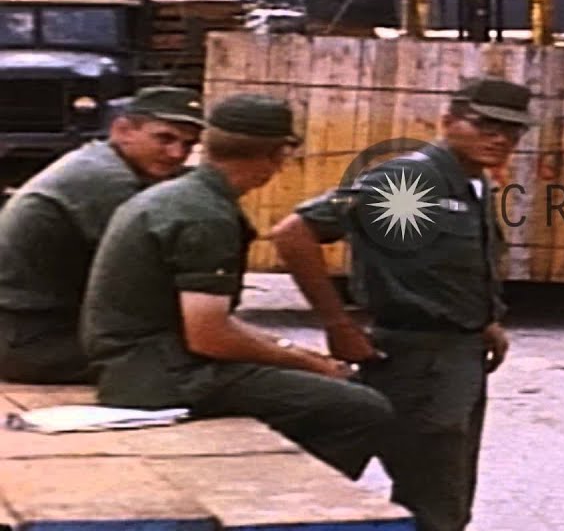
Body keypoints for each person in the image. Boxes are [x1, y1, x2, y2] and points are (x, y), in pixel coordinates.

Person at [80, 93, 393, 481]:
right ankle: (285, 509)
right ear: (277, 157)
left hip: (142, 364)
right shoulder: (204, 215)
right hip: (163, 377)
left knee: (319, 387)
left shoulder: (181, 196)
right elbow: (209, 335)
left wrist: (293, 354)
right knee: (363, 409)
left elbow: (211, 323)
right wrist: (311, 363)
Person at [271, 76, 532, 531]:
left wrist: (483, 320)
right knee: (435, 502)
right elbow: (295, 233)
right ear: (448, 122)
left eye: (513, 131)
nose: (500, 138)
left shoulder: (471, 183)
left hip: (455, 354)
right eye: (486, 124)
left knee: (441, 490)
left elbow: (429, 263)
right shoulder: (413, 181)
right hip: (420, 357)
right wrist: (337, 323)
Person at [0, 86, 205, 383]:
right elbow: (148, 278)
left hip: (38, 329)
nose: (177, 154)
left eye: (189, 145)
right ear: (123, 130)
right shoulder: (105, 181)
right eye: (164, 138)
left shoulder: (102, 161)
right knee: (197, 359)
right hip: (30, 341)